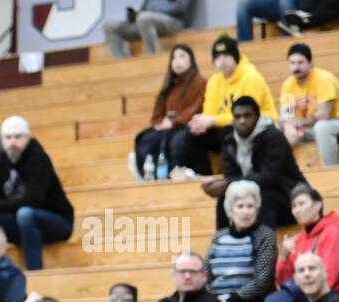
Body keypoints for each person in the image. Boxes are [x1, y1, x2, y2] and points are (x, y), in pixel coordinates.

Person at [0, 116, 74, 272]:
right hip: (20, 223)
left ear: (28, 138)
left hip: (56, 221)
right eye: (8, 138)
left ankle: (34, 273)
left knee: (25, 214)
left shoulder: (39, 158)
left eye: (18, 137)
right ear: (1, 139)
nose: (12, 143)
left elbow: (34, 200)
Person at [171, 37, 276, 177]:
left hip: (260, 126)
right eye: (218, 56)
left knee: (227, 132)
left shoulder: (252, 77)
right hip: (228, 126)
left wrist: (213, 120)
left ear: (236, 56)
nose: (222, 60)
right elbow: (209, 112)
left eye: (226, 55)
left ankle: (233, 177)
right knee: (192, 135)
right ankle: (205, 177)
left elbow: (247, 116)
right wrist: (201, 123)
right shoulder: (214, 81)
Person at [204, 96, 307, 229]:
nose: (242, 121)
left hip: (290, 199)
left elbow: (268, 178)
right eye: (237, 116)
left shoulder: (274, 138)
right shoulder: (229, 141)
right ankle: (223, 244)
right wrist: (221, 185)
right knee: (225, 199)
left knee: (261, 198)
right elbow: (230, 176)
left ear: (257, 117)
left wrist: (228, 184)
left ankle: (265, 248)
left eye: (247, 116)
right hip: (257, 197)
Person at [269, 184, 339, 302]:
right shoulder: (300, 239)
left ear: (318, 205)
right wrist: (284, 256)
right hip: (307, 295)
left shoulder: (333, 232)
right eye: (294, 206)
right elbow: (283, 280)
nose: (297, 210)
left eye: (301, 204)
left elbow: (331, 278)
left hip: (329, 297)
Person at [205, 180, 279, 302]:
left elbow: (262, 281)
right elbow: (205, 275)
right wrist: (211, 298)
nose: (246, 211)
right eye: (240, 206)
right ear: (230, 210)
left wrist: (231, 298)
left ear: (257, 210)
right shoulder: (219, 237)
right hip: (217, 300)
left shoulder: (264, 235)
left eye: (250, 206)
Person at [130, 44, 206, 179]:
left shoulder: (201, 82)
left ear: (191, 60)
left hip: (188, 125)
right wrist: (161, 122)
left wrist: (175, 122)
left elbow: (196, 107)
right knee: (144, 138)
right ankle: (150, 176)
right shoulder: (168, 86)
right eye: (174, 57)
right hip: (168, 127)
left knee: (177, 139)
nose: (177, 60)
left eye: (182, 56)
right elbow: (157, 114)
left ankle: (177, 174)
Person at [280, 43, 338, 152]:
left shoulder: (325, 79)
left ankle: (330, 169)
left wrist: (298, 123)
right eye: (292, 63)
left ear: (311, 63)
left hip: (332, 123)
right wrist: (289, 127)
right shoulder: (288, 84)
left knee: (321, 127)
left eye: (300, 63)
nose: (296, 67)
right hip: (307, 127)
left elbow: (324, 115)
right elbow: (286, 114)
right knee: (275, 130)